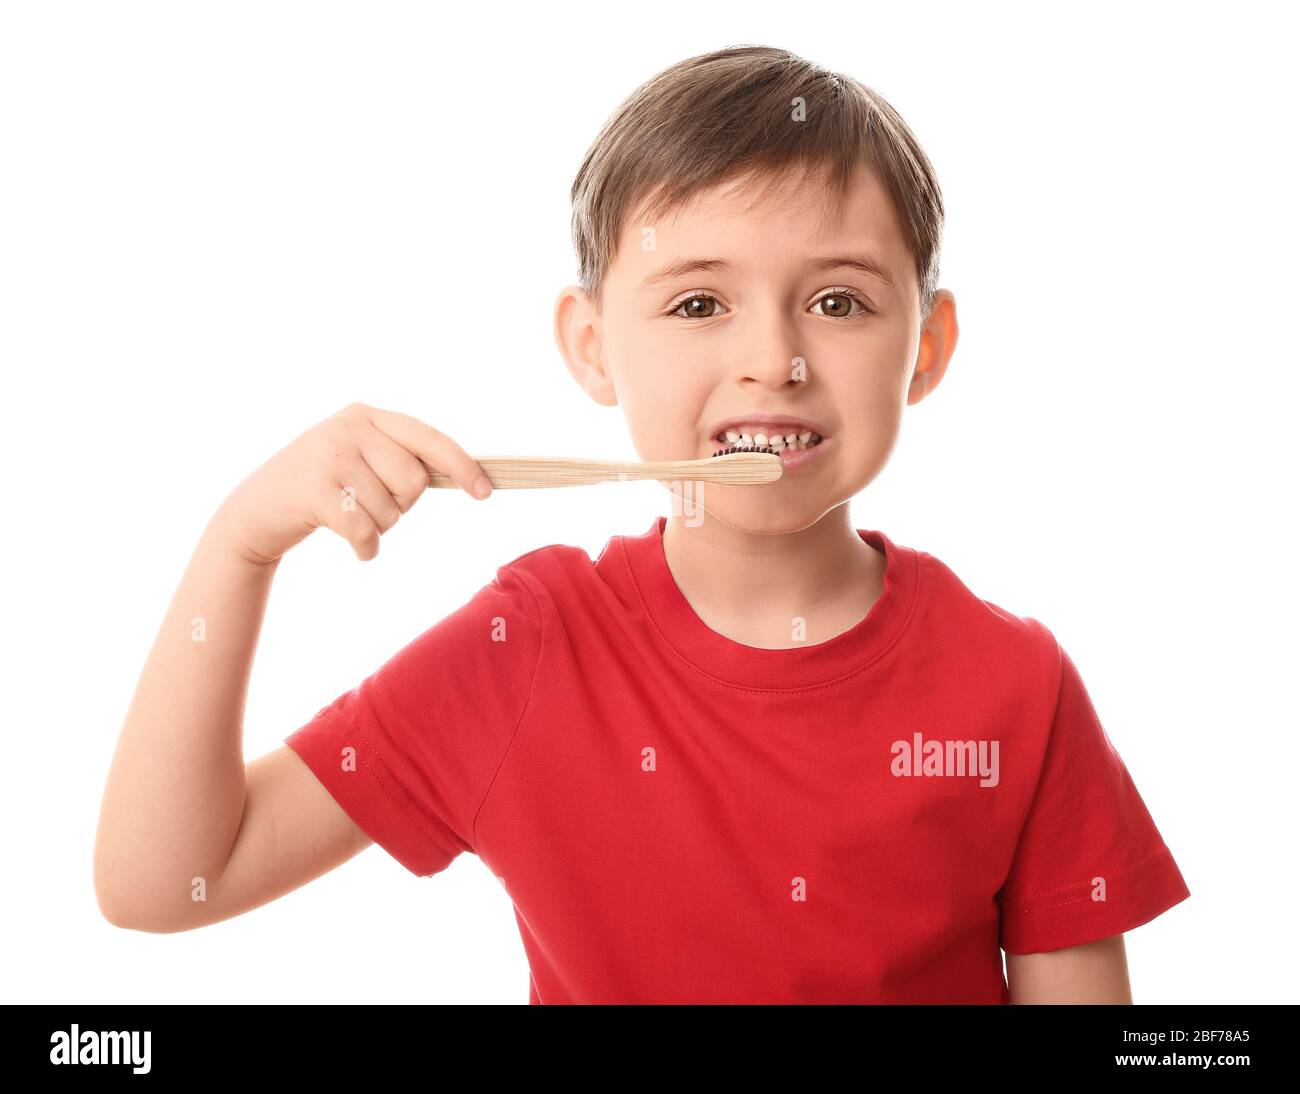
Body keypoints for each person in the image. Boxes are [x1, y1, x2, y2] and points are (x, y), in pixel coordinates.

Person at [95, 45, 1189, 1004]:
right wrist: (240, 543)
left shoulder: (1016, 683)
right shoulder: (525, 647)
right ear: (591, 345)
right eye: (698, 303)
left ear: (930, 346)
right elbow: (166, 879)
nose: (776, 357)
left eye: (840, 300)